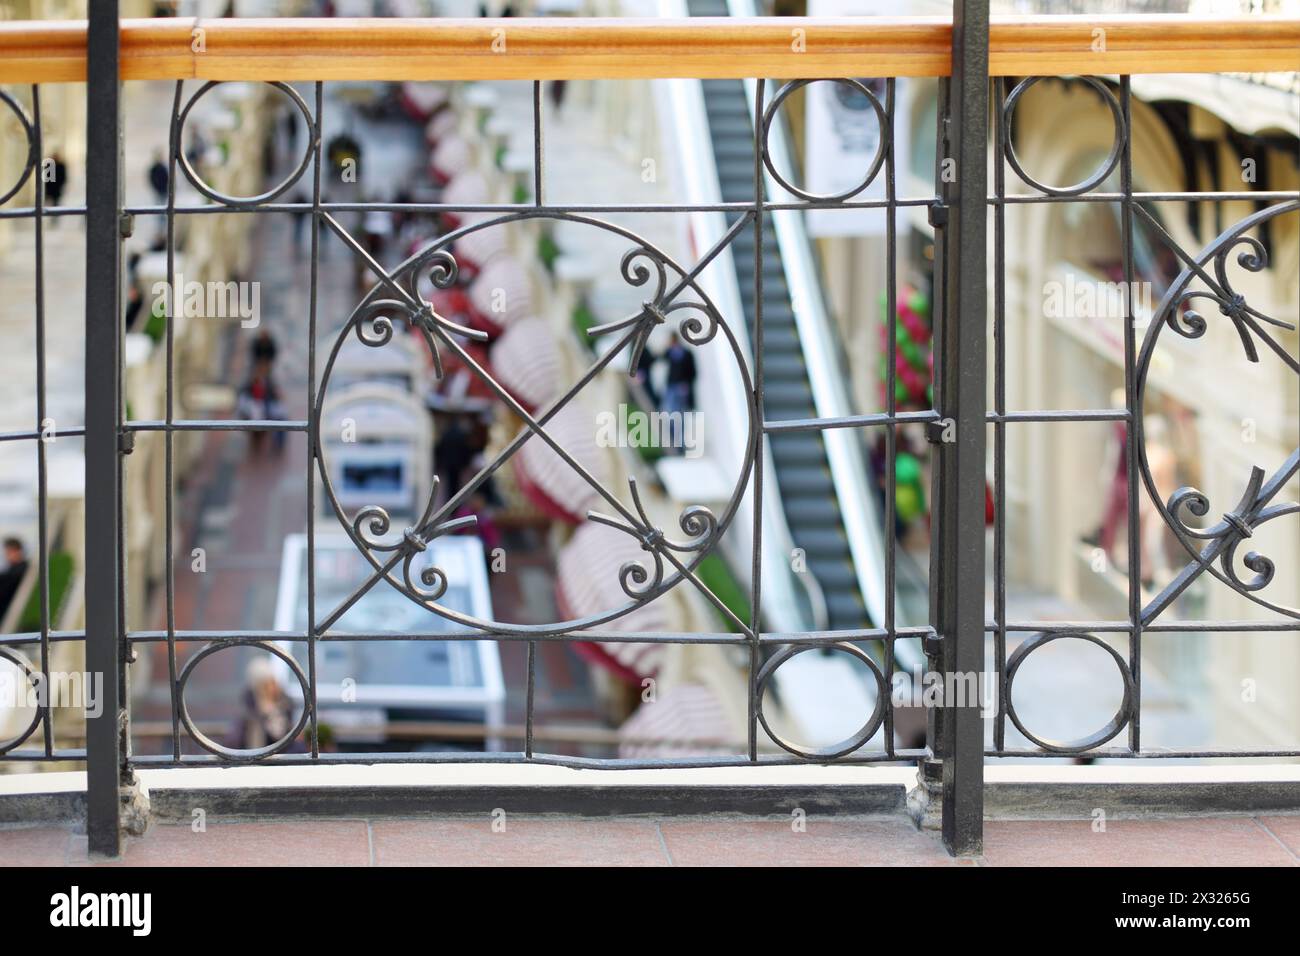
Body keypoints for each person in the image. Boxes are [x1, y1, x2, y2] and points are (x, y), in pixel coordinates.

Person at [236, 656, 295, 752]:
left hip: (282, 754)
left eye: (272, 682)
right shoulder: (251, 709)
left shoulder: (285, 703)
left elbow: (284, 734)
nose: (271, 687)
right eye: (265, 685)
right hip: (259, 755)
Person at [661, 332, 696, 454]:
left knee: (679, 416)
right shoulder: (670, 353)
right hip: (671, 387)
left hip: (681, 388)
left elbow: (693, 372)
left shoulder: (686, 353)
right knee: (669, 414)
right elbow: (661, 357)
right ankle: (672, 440)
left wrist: (686, 384)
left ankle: (680, 443)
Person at [0, 538, 29, 624]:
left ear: (18, 551)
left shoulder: (22, 569)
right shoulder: (12, 569)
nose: (7, 555)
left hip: (11, 614)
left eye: (9, 552)